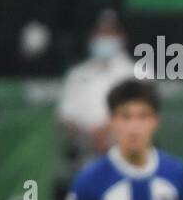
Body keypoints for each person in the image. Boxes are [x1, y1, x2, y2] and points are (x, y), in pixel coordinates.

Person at [57, 11, 135, 168]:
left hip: (125, 153)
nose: (104, 39)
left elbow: (137, 113)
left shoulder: (136, 73)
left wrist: (107, 133)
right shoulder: (77, 73)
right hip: (84, 152)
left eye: (109, 33)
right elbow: (66, 115)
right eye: (100, 33)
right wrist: (90, 135)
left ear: (121, 37)